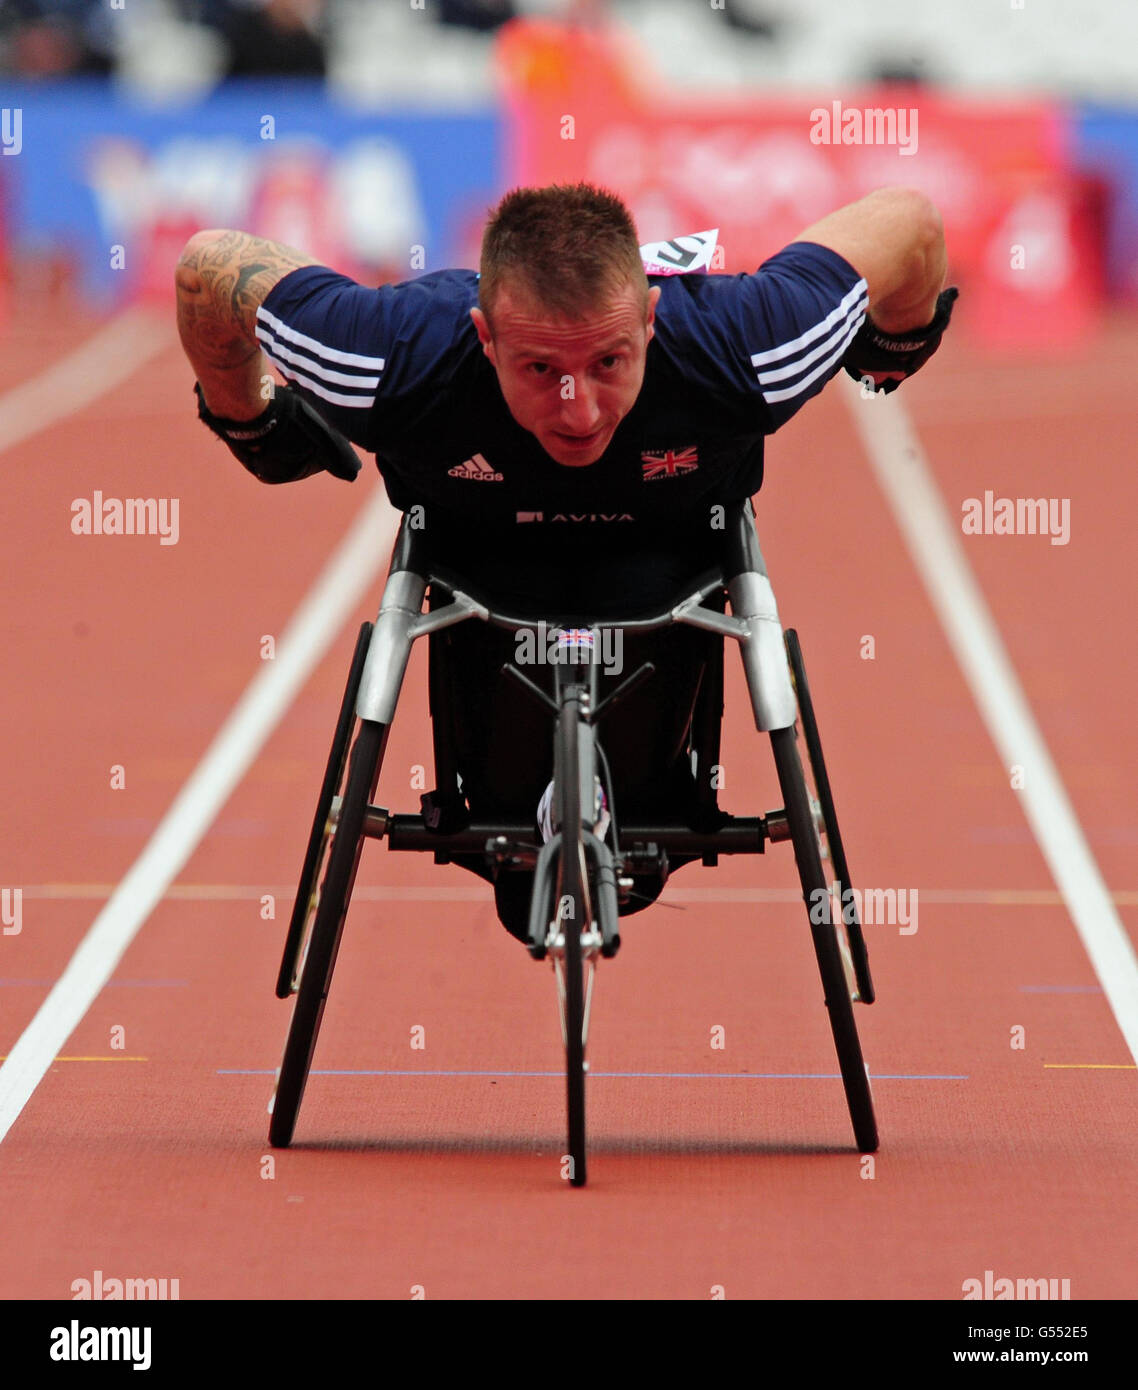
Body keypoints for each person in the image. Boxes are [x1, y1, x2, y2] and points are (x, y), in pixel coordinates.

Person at [175, 181, 956, 938]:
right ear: (485, 336)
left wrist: (894, 339)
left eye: (608, 364)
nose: (578, 409)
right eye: (541, 371)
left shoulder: (746, 343)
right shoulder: (398, 354)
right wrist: (249, 420)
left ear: (651, 321)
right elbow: (207, 269)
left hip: (672, 575)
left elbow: (912, 222)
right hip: (475, 583)